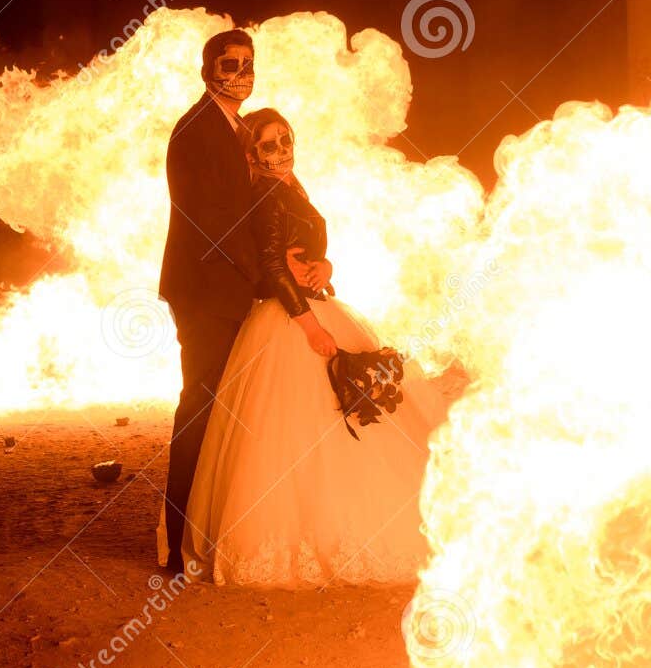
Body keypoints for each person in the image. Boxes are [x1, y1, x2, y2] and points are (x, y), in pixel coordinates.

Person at [183, 108, 452, 588]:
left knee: (336, 420)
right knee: (299, 429)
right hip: (291, 319)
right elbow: (270, 265)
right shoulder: (266, 194)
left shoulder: (290, 187)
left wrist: (325, 266)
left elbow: (299, 254)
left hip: (312, 303)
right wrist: (309, 327)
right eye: (269, 144)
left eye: (286, 138)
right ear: (251, 154)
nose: (282, 149)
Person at [158, 28, 262, 575]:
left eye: (248, 63)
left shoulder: (242, 129)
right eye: (229, 63)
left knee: (228, 413)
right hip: (205, 294)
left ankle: (210, 528)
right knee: (198, 409)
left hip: (233, 291)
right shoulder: (196, 130)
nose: (240, 73)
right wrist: (266, 276)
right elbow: (212, 221)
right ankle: (176, 546)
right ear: (207, 70)